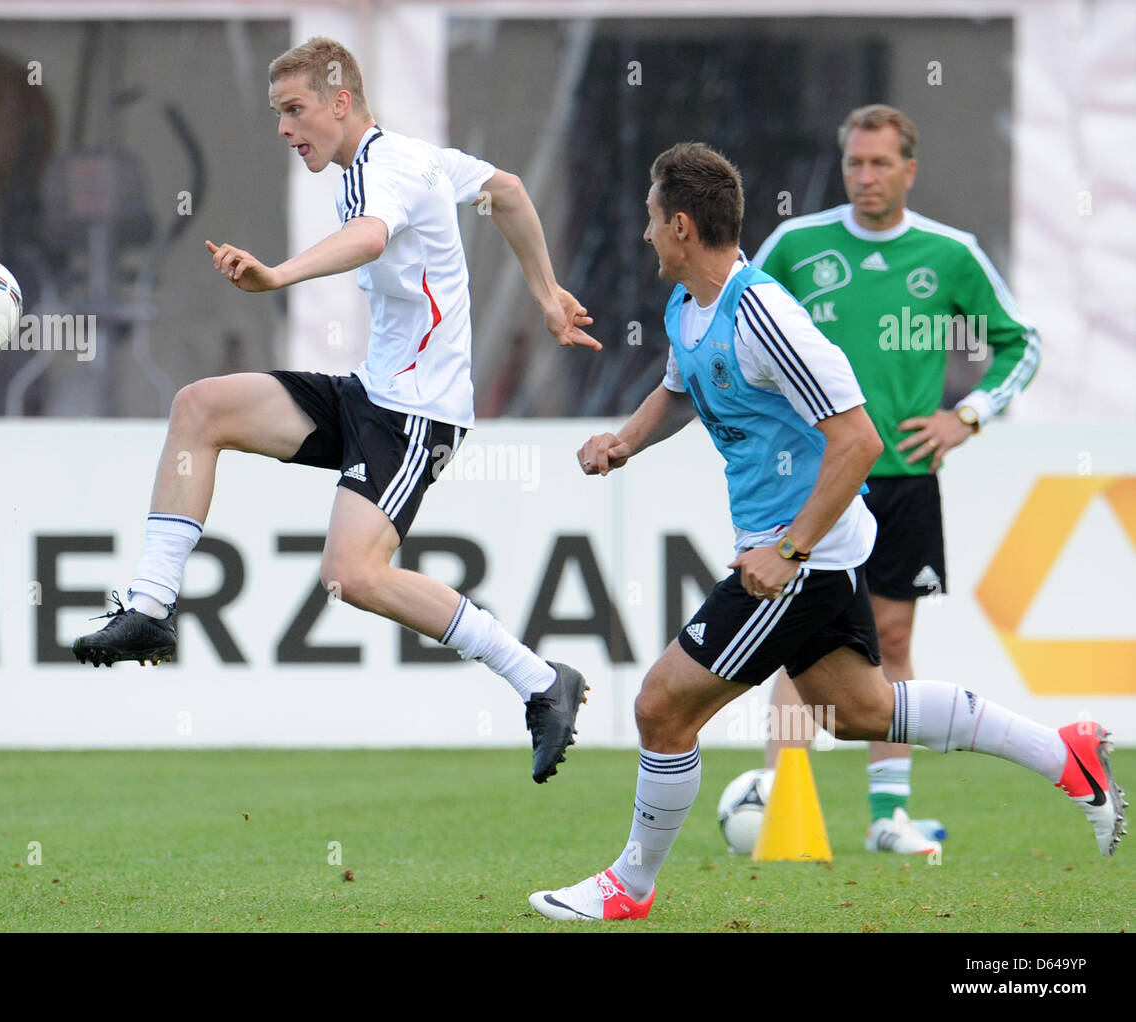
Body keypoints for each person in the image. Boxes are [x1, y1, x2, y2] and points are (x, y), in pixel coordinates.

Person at [529, 142, 1123, 922]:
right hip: (800, 549)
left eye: (648, 221)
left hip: (801, 553)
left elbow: (860, 441)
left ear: (680, 227)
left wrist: (788, 550)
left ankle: (628, 888)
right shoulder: (688, 307)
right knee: (859, 711)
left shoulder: (768, 316)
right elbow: (677, 389)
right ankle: (1066, 752)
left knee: (660, 707)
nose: (643, 236)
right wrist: (623, 442)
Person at [72, 37, 596, 783]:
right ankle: (151, 610)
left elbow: (370, 236)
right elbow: (506, 189)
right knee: (200, 409)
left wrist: (279, 275)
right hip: (370, 393)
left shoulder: (384, 169)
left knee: (353, 575)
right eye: (278, 114)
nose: (285, 129)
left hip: (418, 414)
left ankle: (540, 682)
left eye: (295, 111)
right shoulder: (415, 160)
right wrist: (545, 293)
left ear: (341, 102)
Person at [750, 104, 1042, 856]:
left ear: (910, 169)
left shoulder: (950, 255)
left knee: (895, 637)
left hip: (906, 476)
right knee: (801, 635)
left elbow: (1021, 344)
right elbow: (734, 320)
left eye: (881, 164)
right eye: (855, 162)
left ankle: (887, 818)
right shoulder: (797, 244)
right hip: (819, 480)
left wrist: (967, 415)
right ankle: (784, 797)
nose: (866, 177)